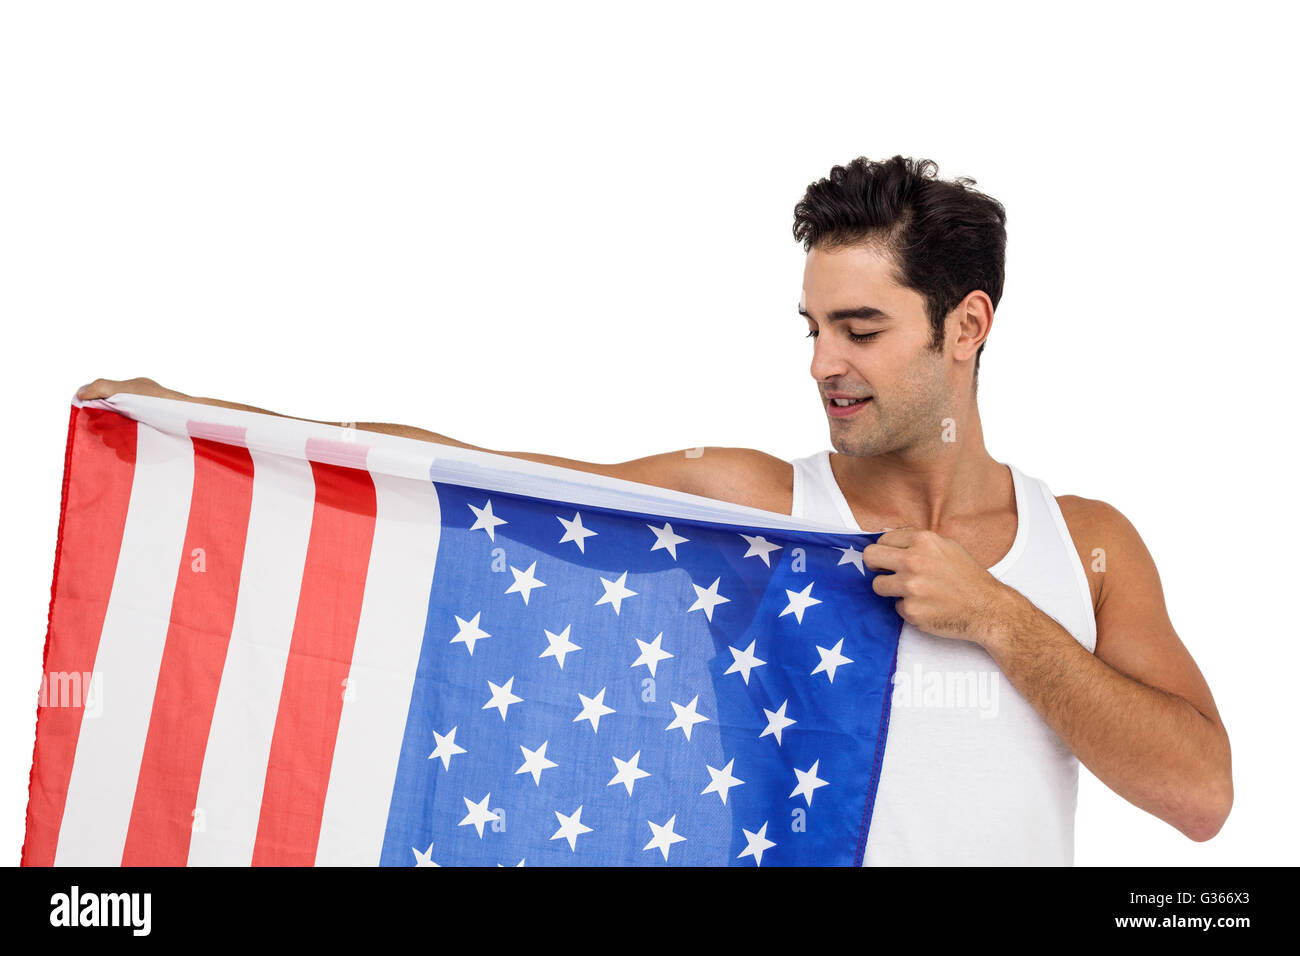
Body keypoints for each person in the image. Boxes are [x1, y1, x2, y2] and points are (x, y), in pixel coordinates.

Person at [76, 154, 1232, 865]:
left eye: (862, 329)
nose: (823, 362)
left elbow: (1199, 796)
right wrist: (194, 415)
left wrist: (993, 616)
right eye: (811, 326)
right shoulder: (755, 505)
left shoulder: (1084, 541)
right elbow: (485, 471)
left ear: (967, 325)